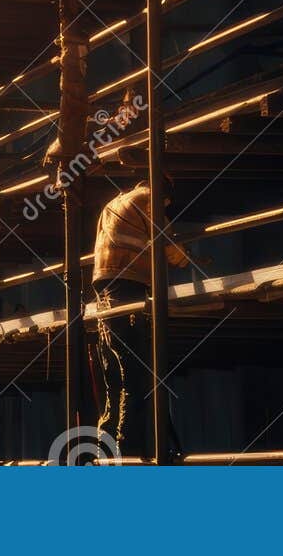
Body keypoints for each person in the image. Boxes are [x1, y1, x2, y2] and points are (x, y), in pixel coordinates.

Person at [92, 179, 188, 461]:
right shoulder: (148, 196)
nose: (165, 207)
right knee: (133, 369)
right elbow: (165, 236)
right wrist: (184, 258)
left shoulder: (115, 202)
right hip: (127, 281)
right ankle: (127, 446)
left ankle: (106, 444)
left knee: (113, 368)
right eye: (166, 204)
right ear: (164, 195)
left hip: (105, 282)